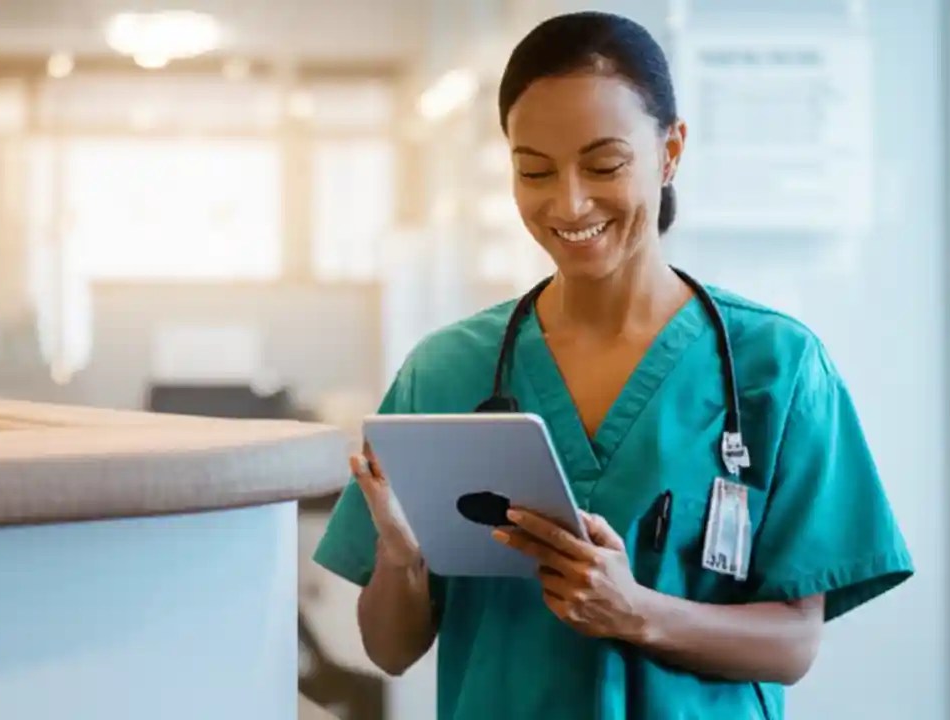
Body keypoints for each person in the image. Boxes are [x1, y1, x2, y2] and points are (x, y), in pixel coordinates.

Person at [313, 10, 914, 719]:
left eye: (604, 164)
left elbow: (793, 644)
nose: (568, 202)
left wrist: (635, 612)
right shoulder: (445, 373)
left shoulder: (777, 367)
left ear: (670, 151)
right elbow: (389, 649)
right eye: (534, 169)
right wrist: (398, 558)